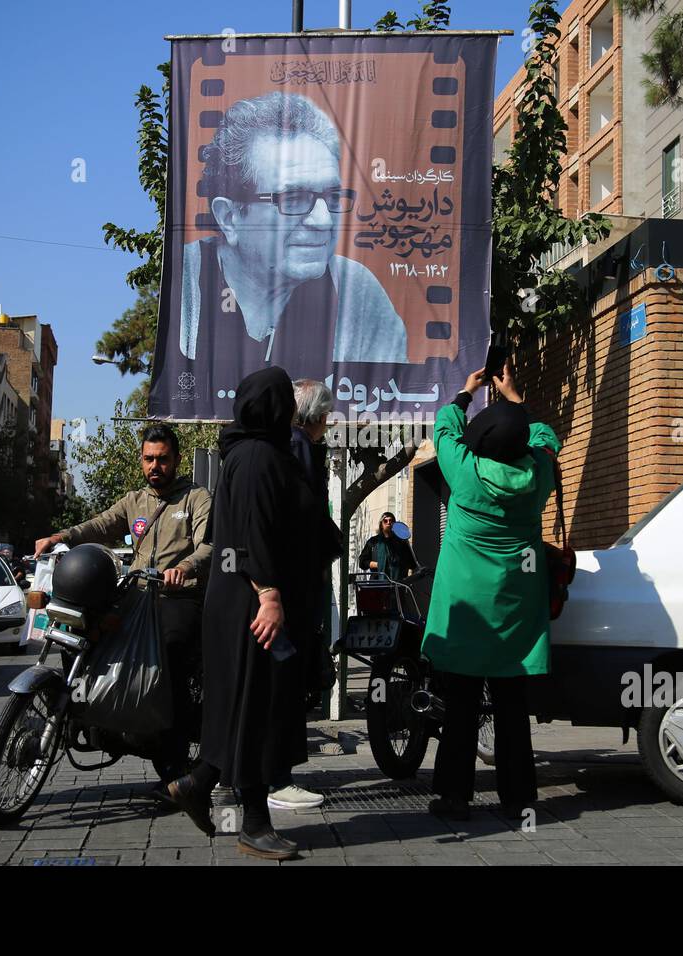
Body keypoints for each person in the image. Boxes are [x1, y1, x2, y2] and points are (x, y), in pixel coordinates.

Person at [167, 367, 324, 860]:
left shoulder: (252, 452)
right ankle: (254, 824)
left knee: (247, 708)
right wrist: (271, 595)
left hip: (244, 603)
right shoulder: (257, 457)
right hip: (253, 607)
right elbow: (252, 534)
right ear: (274, 407)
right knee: (258, 709)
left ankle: (198, 783)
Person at [179, 92, 408, 374]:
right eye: (293, 199)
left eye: (333, 197)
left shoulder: (357, 293)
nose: (323, 221)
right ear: (229, 218)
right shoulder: (182, 283)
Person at [420, 361, 561, 822]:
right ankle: (519, 799)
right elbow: (546, 438)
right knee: (511, 709)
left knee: (459, 709)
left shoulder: (464, 472)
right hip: (514, 614)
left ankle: (454, 797)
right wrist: (516, 398)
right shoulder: (537, 477)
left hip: (465, 618)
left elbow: (444, 427)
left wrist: (466, 392)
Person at [34, 423, 212, 783]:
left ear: (176, 460)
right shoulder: (134, 501)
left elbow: (210, 544)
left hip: (178, 597)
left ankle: (175, 768)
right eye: (148, 459)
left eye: (162, 459)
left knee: (169, 657)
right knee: (84, 635)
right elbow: (100, 526)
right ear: (141, 460)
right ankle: (97, 716)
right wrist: (60, 536)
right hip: (137, 596)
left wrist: (183, 567)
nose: (155, 466)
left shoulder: (196, 498)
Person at [261, 379, 344, 812]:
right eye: (326, 415)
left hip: (288, 582)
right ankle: (277, 778)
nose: (328, 423)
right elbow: (306, 515)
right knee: (286, 683)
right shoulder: (301, 448)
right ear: (314, 416)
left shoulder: (284, 446)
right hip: (294, 587)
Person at [357, 512, 418, 580]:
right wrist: (379, 564)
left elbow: (413, 564)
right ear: (381, 524)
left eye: (391, 521)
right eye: (385, 521)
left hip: (398, 585)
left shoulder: (402, 543)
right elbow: (362, 562)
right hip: (377, 584)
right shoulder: (373, 542)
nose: (388, 522)